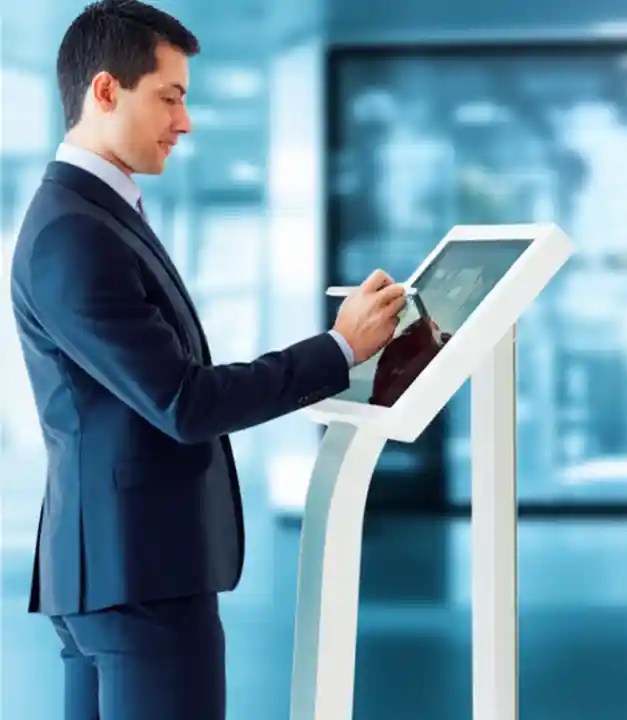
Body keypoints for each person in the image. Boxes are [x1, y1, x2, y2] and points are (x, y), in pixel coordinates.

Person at [6, 2, 406, 718]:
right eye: (170, 97)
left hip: (116, 571)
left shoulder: (93, 217)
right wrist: (341, 349)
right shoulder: (75, 232)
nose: (184, 122)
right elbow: (184, 402)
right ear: (104, 91)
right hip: (138, 576)